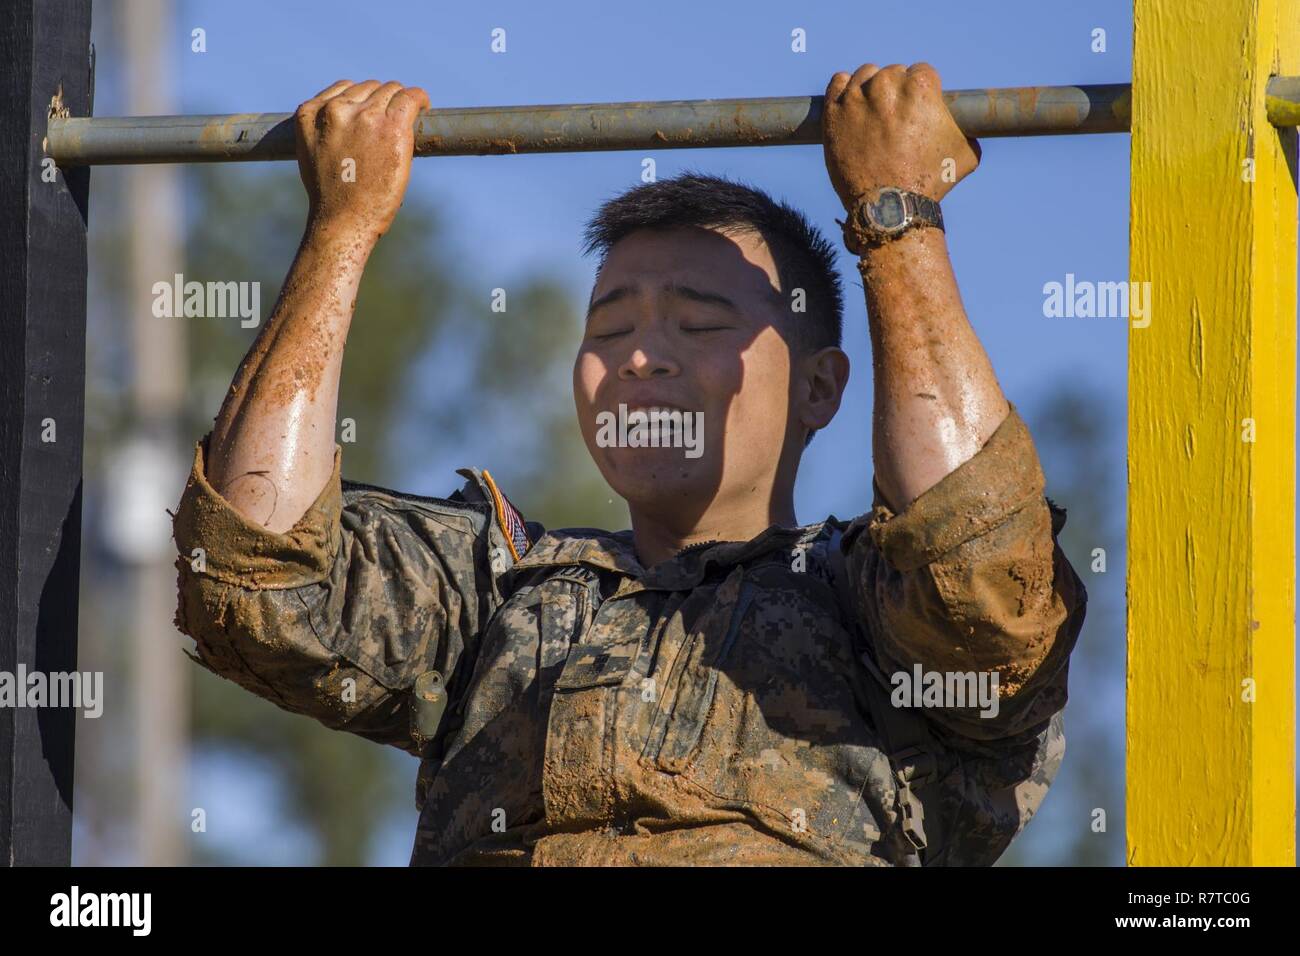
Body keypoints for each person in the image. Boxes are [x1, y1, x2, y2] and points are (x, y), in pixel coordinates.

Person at [172, 64, 1086, 866]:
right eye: (609, 330)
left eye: (697, 326)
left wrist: (898, 221)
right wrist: (342, 227)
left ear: (820, 390)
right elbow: (254, 571)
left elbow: (980, 578)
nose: (640, 358)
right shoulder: (498, 593)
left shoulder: (865, 607)